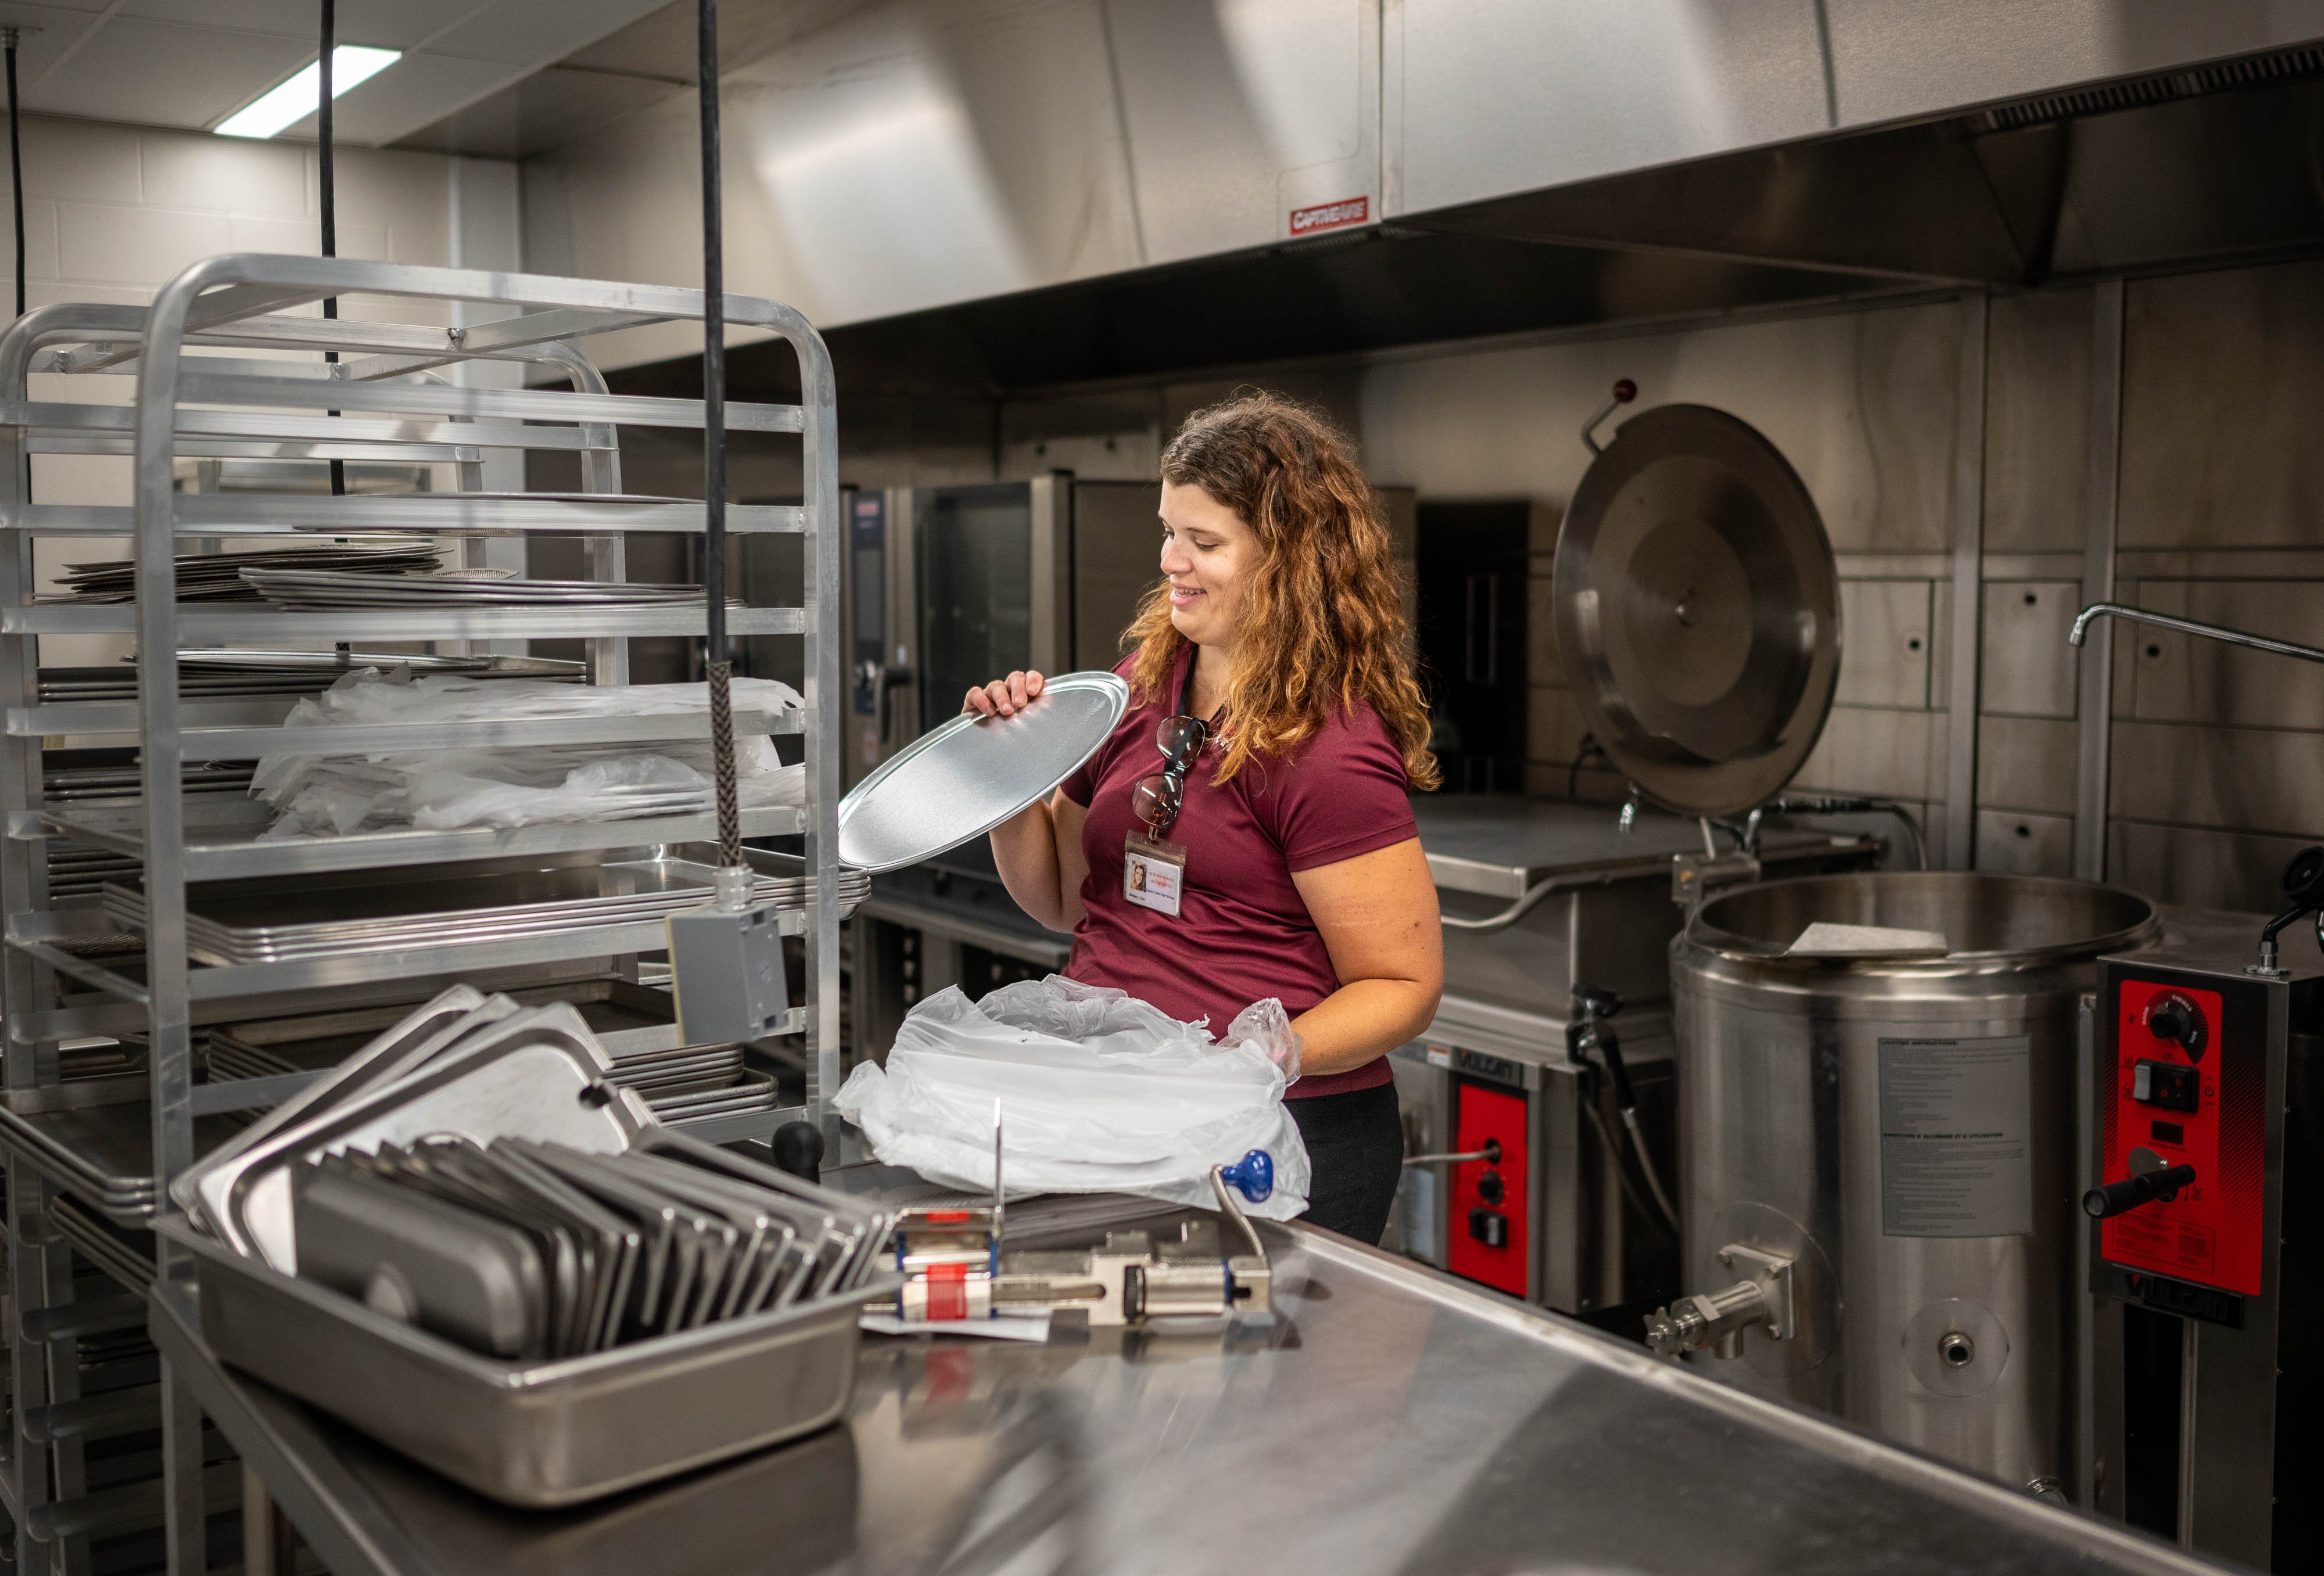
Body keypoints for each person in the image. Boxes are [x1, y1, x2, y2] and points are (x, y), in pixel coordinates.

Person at [966, 392, 1443, 1243]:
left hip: (1276, 1139)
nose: (1171, 560)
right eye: (1168, 530)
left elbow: (1404, 987)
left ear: (1289, 557)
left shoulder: (1326, 745)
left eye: (1204, 541)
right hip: (1121, 1115)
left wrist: (1260, 1057)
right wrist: (1009, 780)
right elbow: (1067, 899)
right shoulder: (1143, 683)